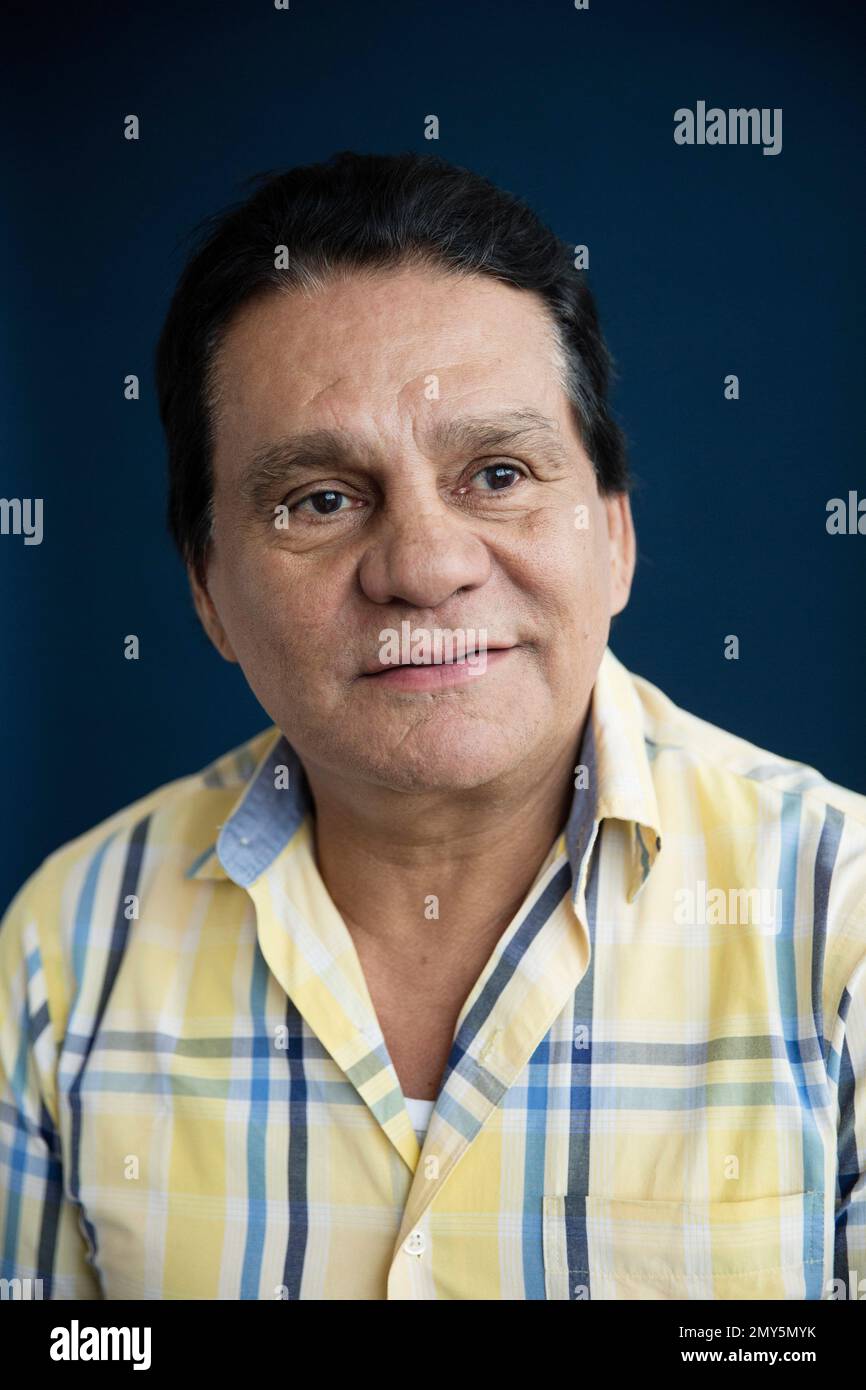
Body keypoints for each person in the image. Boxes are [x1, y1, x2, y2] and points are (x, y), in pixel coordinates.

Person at [1, 151, 863, 1301]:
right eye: (319, 500)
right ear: (206, 587)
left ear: (613, 533)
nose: (423, 566)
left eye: (497, 472)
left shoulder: (840, 921)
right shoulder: (65, 952)